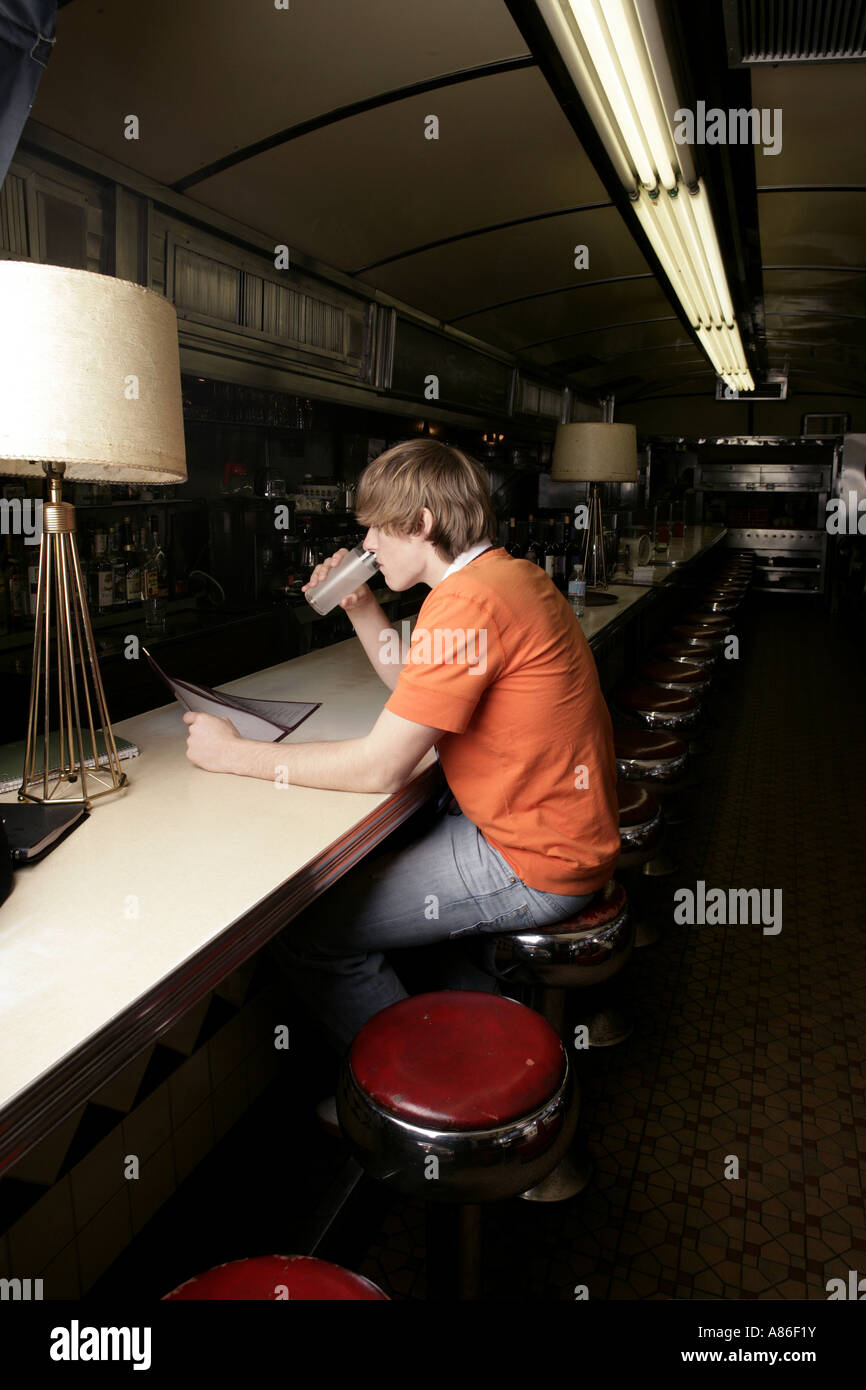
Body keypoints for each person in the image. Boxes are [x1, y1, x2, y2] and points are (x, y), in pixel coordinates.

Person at [184, 439, 620, 1073]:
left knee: (309, 931)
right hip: (564, 833)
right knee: (398, 902)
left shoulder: (467, 602)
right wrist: (362, 606)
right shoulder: (507, 575)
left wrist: (235, 754)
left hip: (534, 860)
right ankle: (498, 1044)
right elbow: (415, 687)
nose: (366, 546)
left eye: (375, 530)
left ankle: (428, 1085)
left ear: (421, 524)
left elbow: (380, 767)